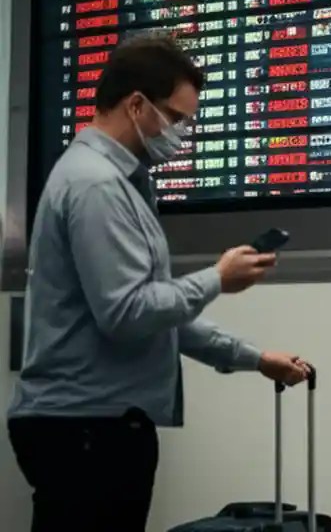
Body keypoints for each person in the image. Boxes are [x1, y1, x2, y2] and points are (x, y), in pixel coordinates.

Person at [7, 33, 312, 532]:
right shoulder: (96, 185)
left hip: (96, 426)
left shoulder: (120, 183)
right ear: (135, 104)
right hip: (86, 429)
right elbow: (127, 313)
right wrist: (216, 279)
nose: (182, 133)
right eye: (176, 118)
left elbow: (158, 314)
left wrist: (253, 358)